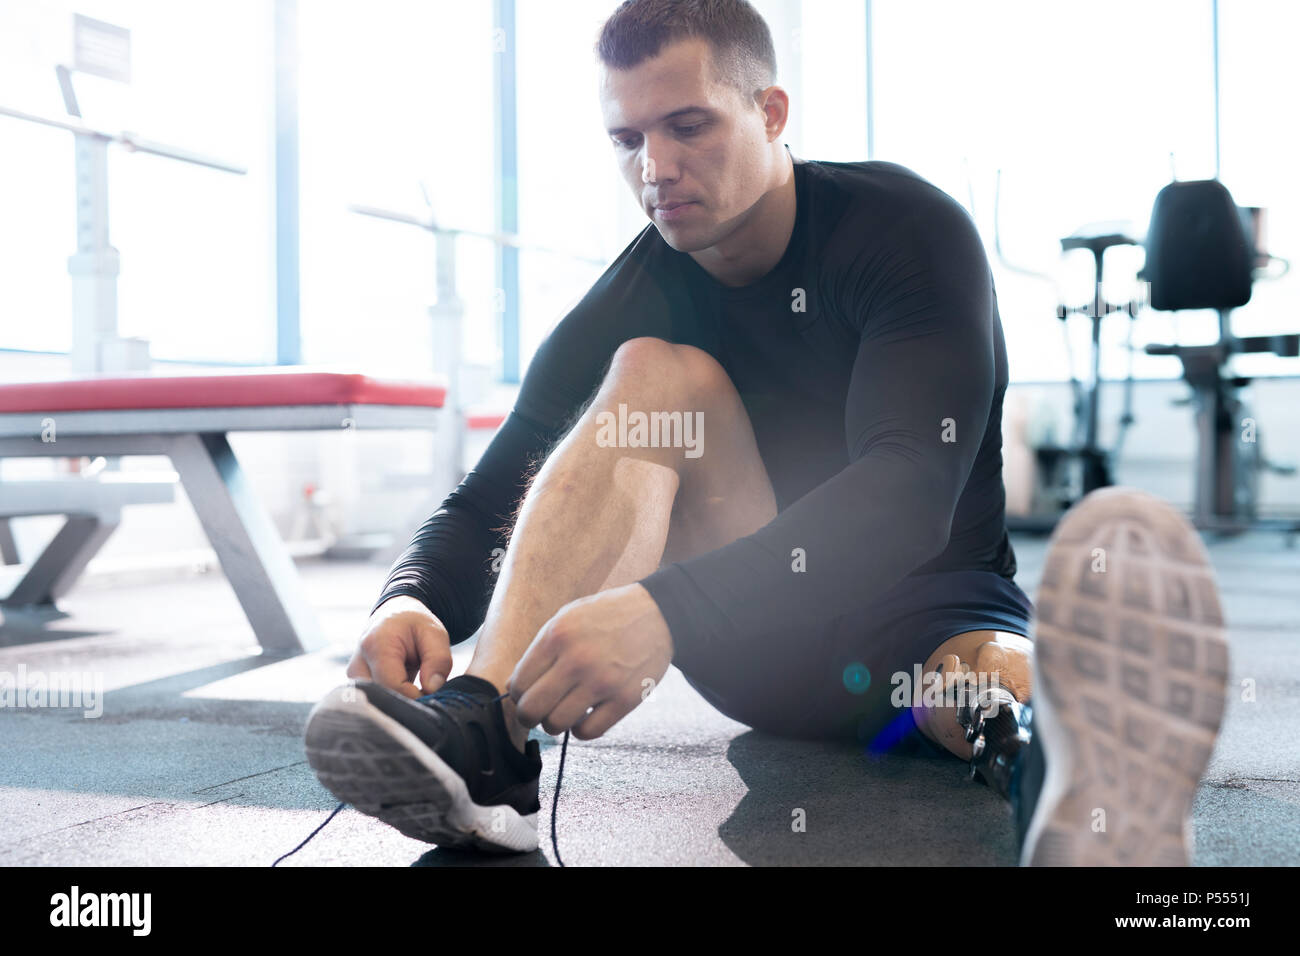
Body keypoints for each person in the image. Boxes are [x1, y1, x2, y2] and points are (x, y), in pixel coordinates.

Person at [304, 0, 1228, 865]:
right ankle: (485, 734)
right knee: (657, 375)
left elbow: (908, 491)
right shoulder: (632, 295)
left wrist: (667, 609)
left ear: (772, 110)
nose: (654, 168)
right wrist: (410, 598)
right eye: (627, 139)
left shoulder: (903, 232)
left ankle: (1057, 773)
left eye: (688, 125)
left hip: (928, 624)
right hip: (759, 651)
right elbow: (488, 498)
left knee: (995, 684)